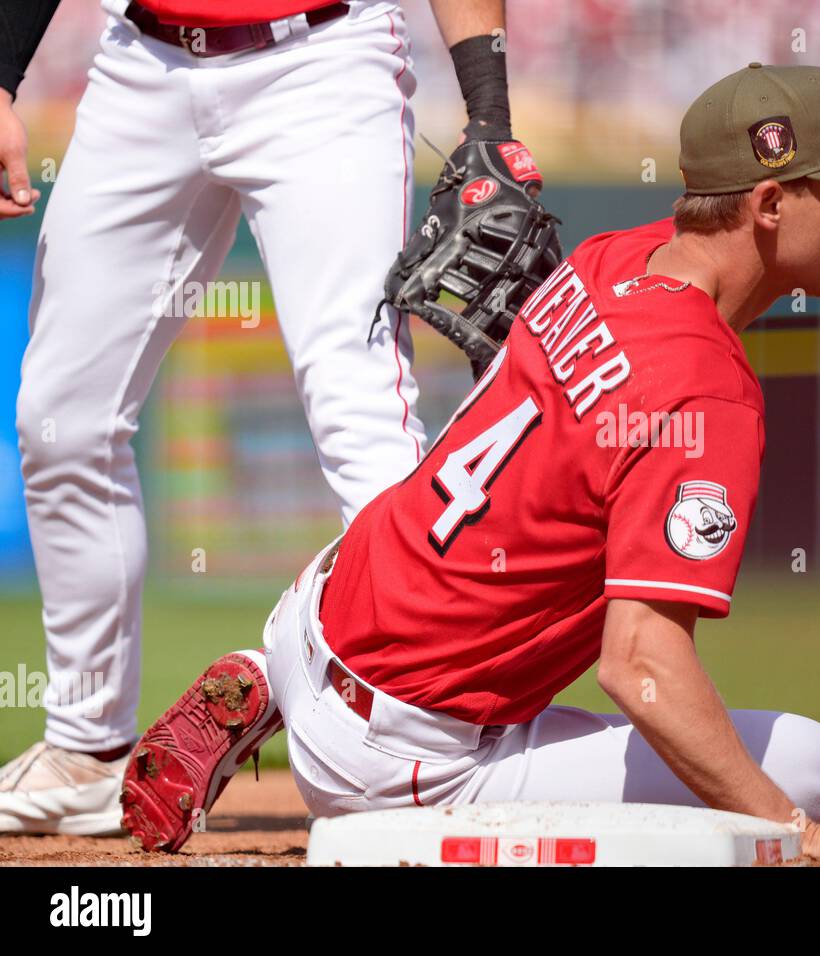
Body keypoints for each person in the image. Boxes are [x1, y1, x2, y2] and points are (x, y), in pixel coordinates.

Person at [121, 62, 820, 864]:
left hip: (328, 603)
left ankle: (268, 673)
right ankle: (396, 812)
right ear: (768, 203)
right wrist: (801, 836)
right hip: (404, 762)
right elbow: (639, 668)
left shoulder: (614, 259)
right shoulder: (706, 396)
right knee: (809, 770)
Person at [0, 0, 542, 837]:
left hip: (321, 60)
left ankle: (418, 735)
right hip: (141, 61)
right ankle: (85, 750)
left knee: (357, 407)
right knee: (57, 417)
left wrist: (489, 106)